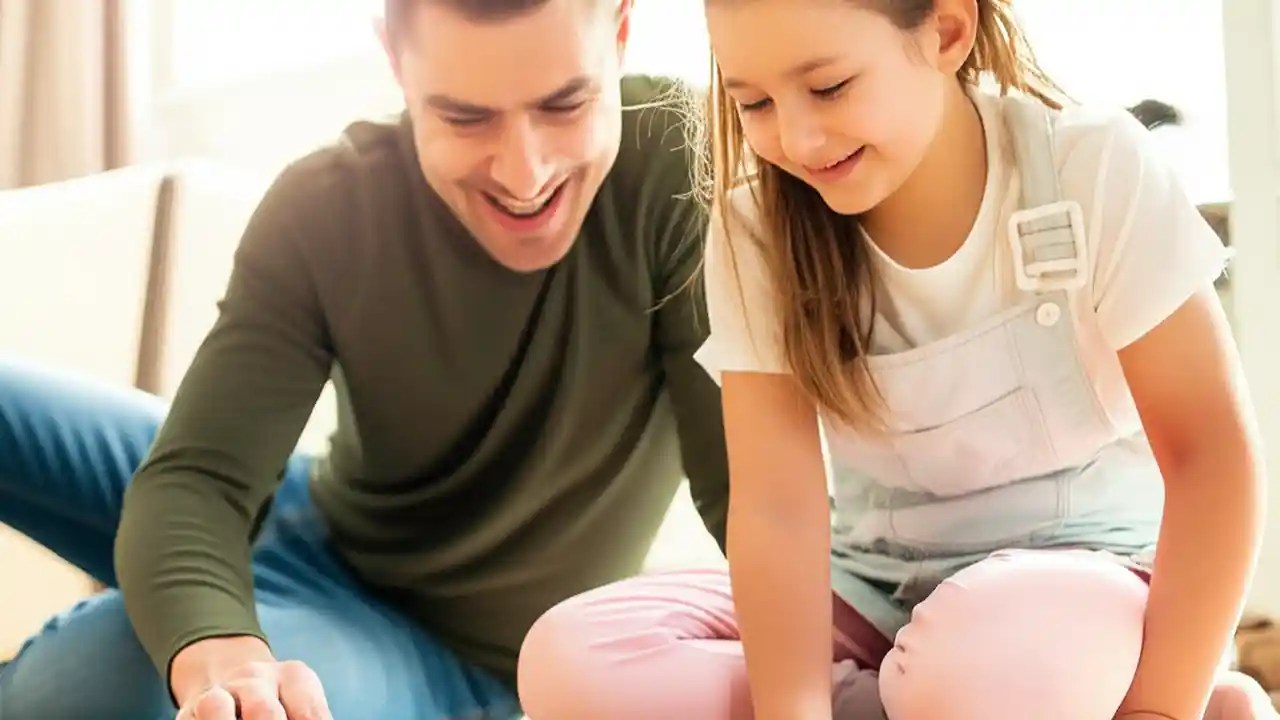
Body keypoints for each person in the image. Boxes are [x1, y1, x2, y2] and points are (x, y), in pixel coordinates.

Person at [517, 1, 1276, 719]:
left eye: (829, 87)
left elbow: (1211, 458)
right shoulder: (755, 226)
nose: (799, 138)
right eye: (754, 104)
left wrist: (1159, 706)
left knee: (990, 660)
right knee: (573, 662)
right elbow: (777, 508)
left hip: (1081, 584)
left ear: (946, 31)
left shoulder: (1092, 165)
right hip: (874, 589)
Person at [0, 1, 729, 718]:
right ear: (395, 62)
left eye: (565, 105)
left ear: (623, 32)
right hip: (310, 518)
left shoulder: (682, 168)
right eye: (466, 117)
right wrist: (217, 645)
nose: (525, 170)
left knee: (74, 688)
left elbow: (744, 495)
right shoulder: (329, 203)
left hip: (448, 658)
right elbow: (199, 478)